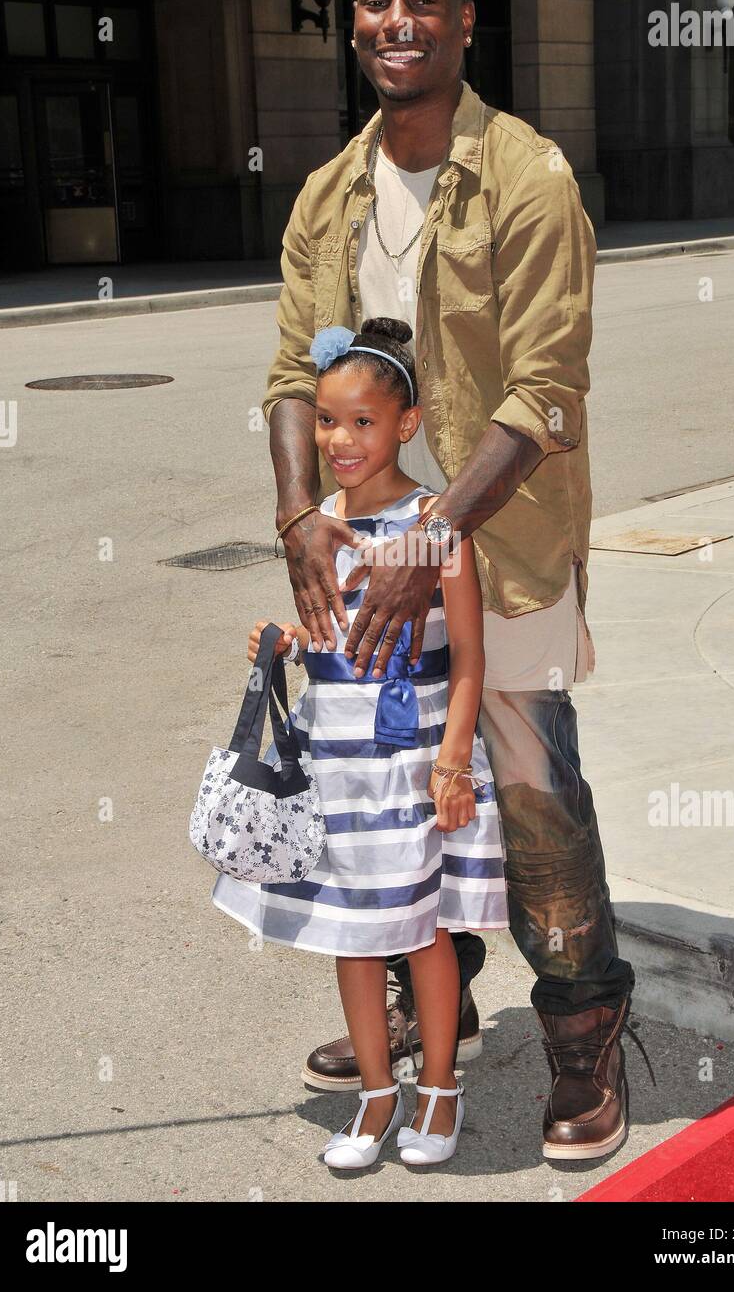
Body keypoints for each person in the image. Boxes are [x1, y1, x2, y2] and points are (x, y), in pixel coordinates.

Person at [261, 0, 639, 1161]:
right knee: (398, 782)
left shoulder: (526, 177)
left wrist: (434, 535)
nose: (394, 23)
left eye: (421, 2)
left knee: (527, 790)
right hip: (373, 561)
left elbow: (544, 391)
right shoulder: (329, 195)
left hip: (498, 541)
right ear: (354, 19)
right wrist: (297, 514)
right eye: (373, 2)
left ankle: (583, 1027)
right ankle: (441, 1003)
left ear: (463, 22)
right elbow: (285, 374)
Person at [223, 315, 509, 1170]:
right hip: (333, 755)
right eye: (325, 421)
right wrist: (280, 639)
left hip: (413, 754)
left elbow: (466, 656)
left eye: (362, 422)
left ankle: (440, 1088)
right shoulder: (317, 524)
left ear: (406, 424)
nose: (340, 441)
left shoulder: (432, 522)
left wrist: (454, 762)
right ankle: (376, 1095)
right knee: (350, 932)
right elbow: (335, 636)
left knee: (420, 930)